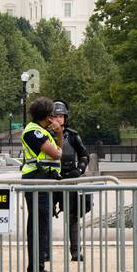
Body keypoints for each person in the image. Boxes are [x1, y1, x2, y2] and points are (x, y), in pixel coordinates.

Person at [19, 97, 64, 272]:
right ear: (47, 116)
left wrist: (59, 134)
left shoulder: (41, 131)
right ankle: (36, 269)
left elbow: (59, 153)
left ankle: (38, 267)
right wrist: (59, 134)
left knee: (41, 224)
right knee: (38, 225)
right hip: (36, 179)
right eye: (52, 114)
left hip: (43, 179)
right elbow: (57, 153)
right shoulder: (34, 132)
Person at [50, 101, 91, 263]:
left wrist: (79, 171)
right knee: (45, 215)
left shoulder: (73, 135)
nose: (58, 119)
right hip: (51, 179)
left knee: (73, 217)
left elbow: (84, 155)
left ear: (65, 118)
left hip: (70, 177)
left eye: (61, 116)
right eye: (55, 116)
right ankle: (44, 253)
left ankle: (75, 251)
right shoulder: (45, 134)